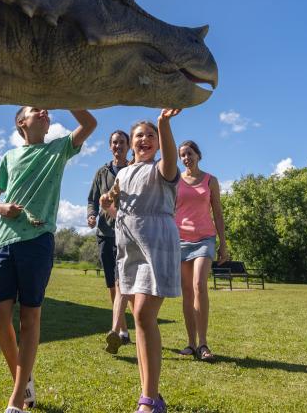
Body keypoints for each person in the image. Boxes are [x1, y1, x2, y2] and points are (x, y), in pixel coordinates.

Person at [0, 107, 96, 413]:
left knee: (29, 317)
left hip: (38, 241)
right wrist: (1, 208)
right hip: (5, 240)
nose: (44, 111)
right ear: (22, 122)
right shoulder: (9, 156)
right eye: (36, 109)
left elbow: (89, 123)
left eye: (46, 109)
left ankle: (17, 399)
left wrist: (66, 97)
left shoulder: (58, 149)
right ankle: (24, 378)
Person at [100, 110, 181, 413]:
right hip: (128, 250)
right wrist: (108, 206)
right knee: (140, 321)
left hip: (156, 247)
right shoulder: (122, 174)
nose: (144, 139)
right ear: (131, 144)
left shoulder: (162, 168)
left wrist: (164, 124)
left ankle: (148, 400)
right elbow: (120, 213)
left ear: (158, 143)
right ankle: (151, 397)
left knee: (145, 314)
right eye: (139, 136)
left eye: (150, 136)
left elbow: (172, 158)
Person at [175, 139, 228, 362]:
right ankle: (191, 343)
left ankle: (204, 343)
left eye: (189, 153)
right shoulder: (175, 180)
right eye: (182, 155)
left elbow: (217, 212)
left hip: (205, 237)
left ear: (198, 155)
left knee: (199, 284)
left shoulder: (210, 180)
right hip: (179, 239)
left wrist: (223, 243)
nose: (186, 158)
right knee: (187, 291)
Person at [87, 130, 132, 353]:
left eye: (122, 142)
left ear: (129, 145)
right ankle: (122, 331)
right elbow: (91, 199)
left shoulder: (135, 169)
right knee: (111, 283)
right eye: (114, 142)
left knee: (125, 282)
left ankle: (127, 327)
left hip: (129, 233)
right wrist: (91, 215)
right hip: (105, 234)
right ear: (110, 146)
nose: (118, 146)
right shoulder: (102, 172)